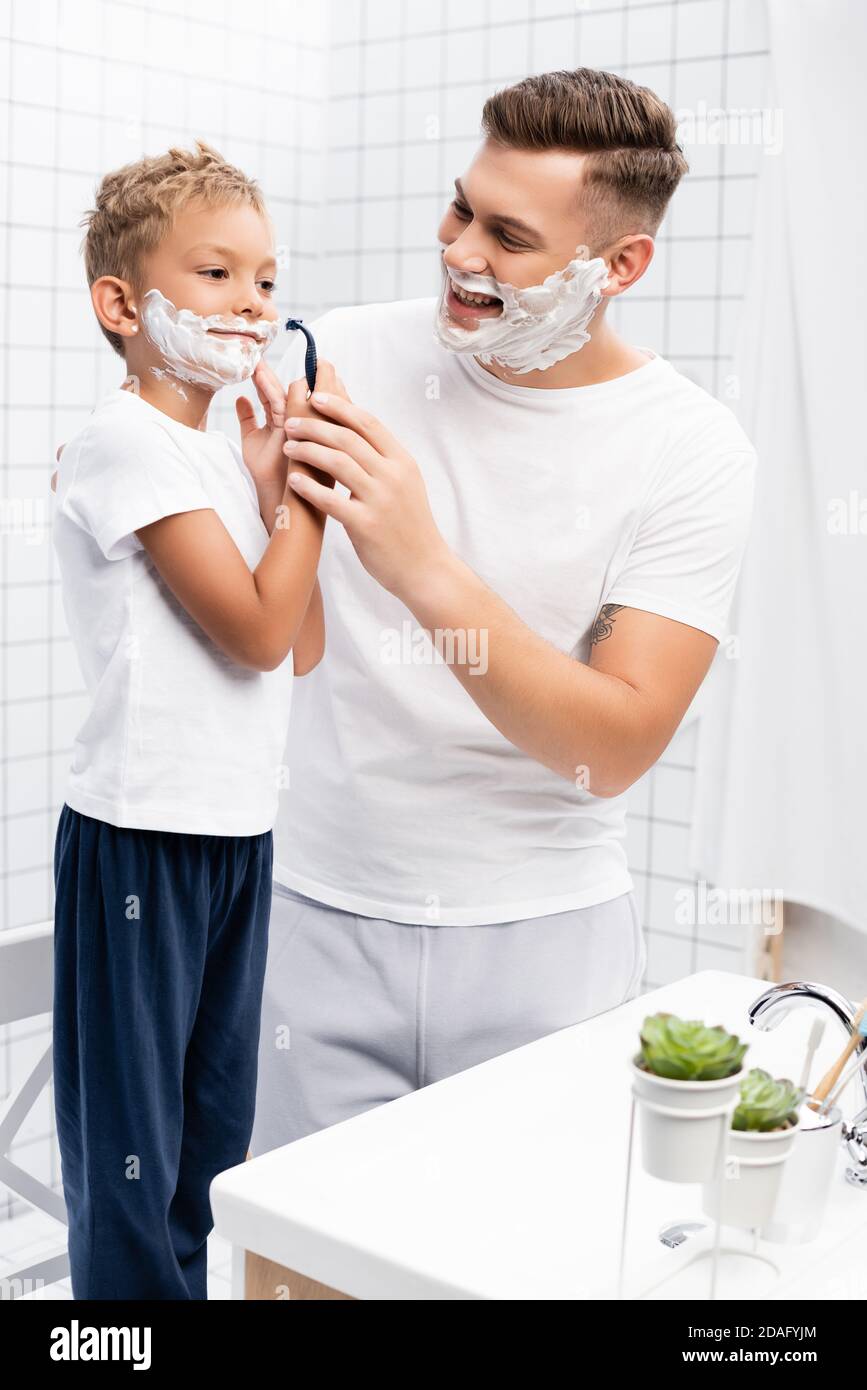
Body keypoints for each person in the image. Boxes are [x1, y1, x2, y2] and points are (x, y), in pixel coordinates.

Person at [244, 69, 757, 1300]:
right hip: (316, 916)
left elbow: (615, 746)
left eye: (509, 236)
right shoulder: (331, 356)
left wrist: (423, 566)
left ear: (617, 266)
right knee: (299, 1276)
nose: (460, 252)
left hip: (543, 947)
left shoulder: (689, 450)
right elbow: (277, 645)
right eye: (460, 209)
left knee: (516, 1277)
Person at [50, 140, 334, 1299]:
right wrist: (312, 482)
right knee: (129, 1155)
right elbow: (265, 632)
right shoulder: (127, 443)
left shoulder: (216, 456)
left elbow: (298, 647)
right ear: (123, 303)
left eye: (266, 280)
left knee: (212, 1137)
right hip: (140, 833)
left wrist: (272, 493)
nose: (251, 303)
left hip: (232, 832)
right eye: (215, 274)